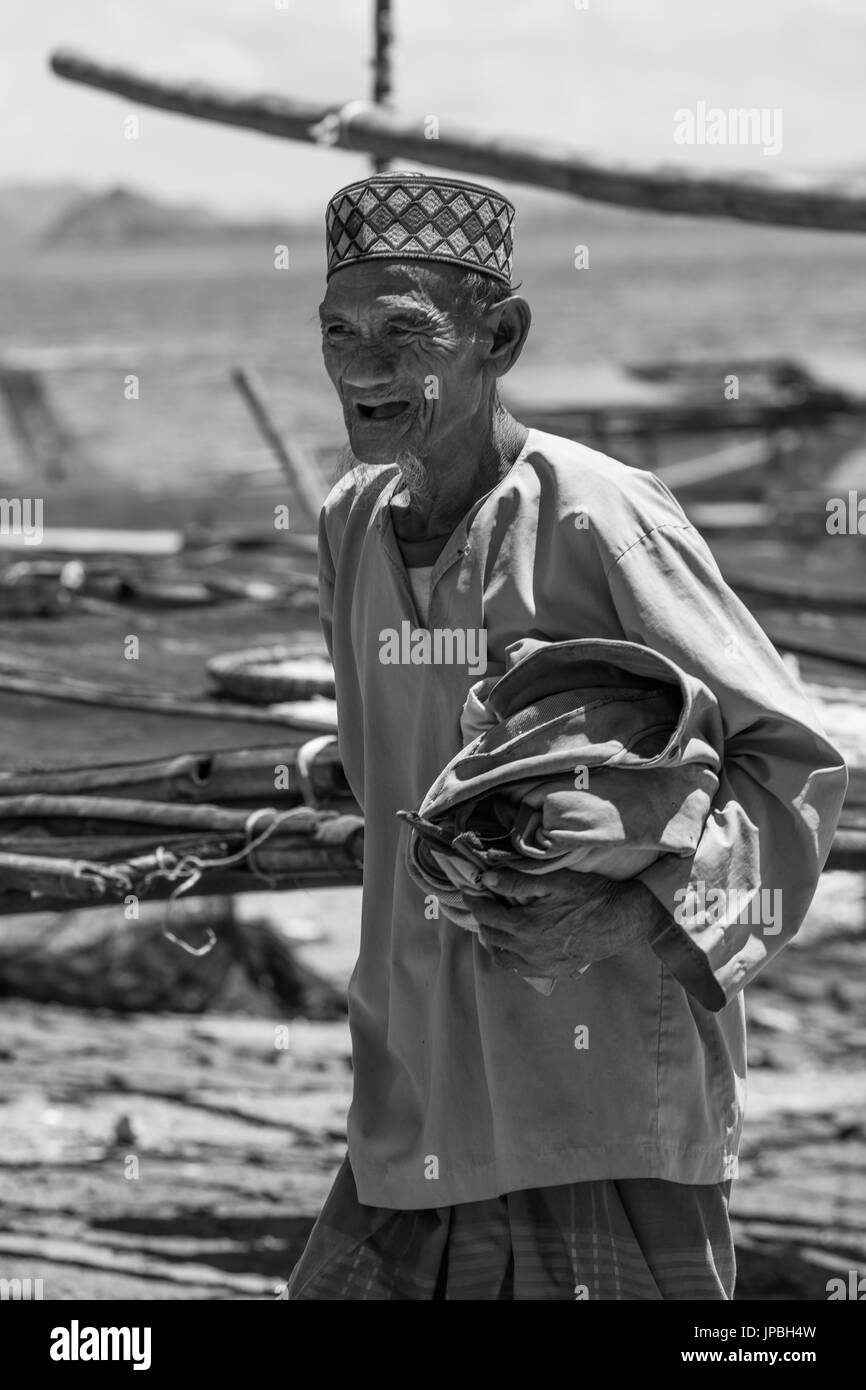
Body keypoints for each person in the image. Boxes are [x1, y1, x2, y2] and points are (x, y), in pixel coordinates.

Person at [287, 171, 848, 1300]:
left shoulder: (600, 516)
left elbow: (791, 760)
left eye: (403, 335)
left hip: (596, 1106)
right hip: (414, 1086)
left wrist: (630, 886)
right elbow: (386, 748)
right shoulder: (351, 521)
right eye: (337, 333)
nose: (360, 368)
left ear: (500, 334)